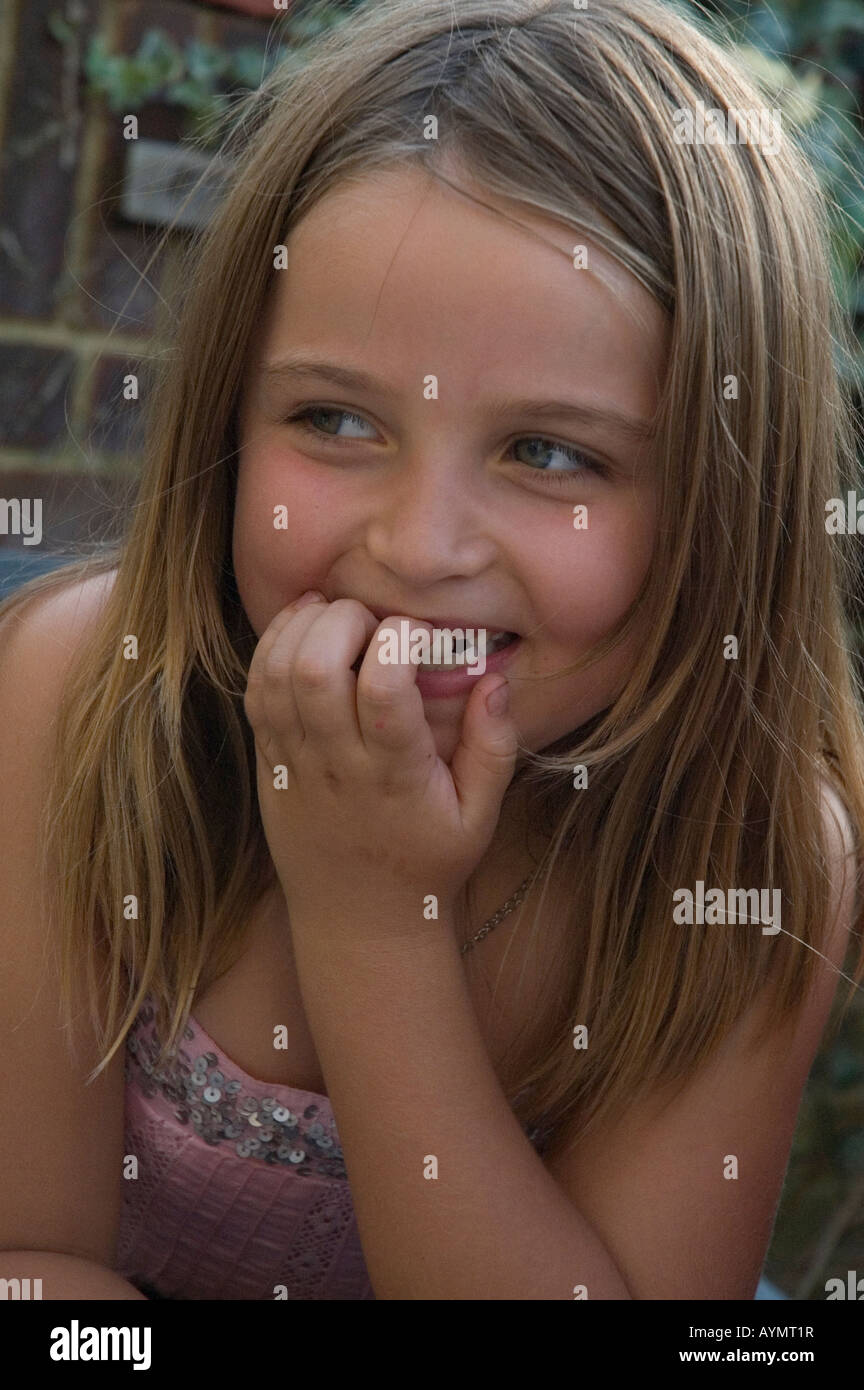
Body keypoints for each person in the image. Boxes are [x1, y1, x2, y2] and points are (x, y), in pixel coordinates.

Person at [1, 0, 862, 1300]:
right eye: (336, 418)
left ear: (719, 505)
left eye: (551, 452)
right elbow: (35, 1264)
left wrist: (374, 918)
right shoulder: (79, 692)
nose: (418, 545)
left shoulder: (745, 858)